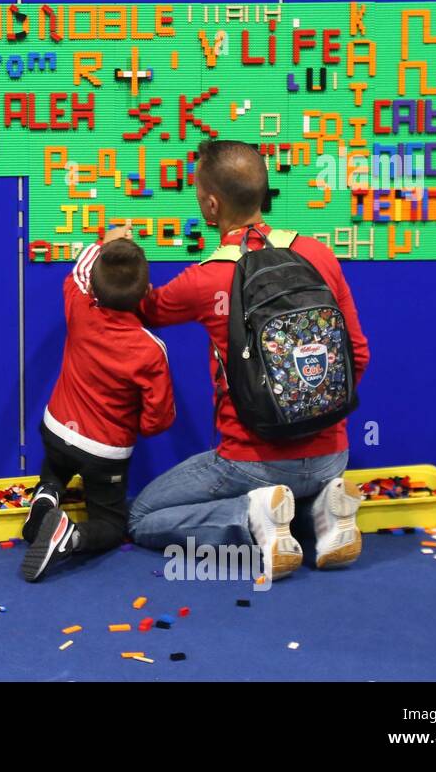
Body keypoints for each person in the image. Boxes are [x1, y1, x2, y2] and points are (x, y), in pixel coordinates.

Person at [127, 140, 370, 581]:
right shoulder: (318, 254)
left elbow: (145, 308)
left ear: (211, 204)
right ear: (264, 192)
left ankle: (252, 514)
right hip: (334, 452)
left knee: (142, 516)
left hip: (252, 462)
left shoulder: (206, 278)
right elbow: (359, 355)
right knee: (303, 485)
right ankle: (326, 511)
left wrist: (119, 254)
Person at [21, 223, 175, 582]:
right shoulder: (151, 350)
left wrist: (106, 242)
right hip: (105, 453)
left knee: (54, 470)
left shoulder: (78, 304)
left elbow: (79, 267)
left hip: (57, 429)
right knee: (110, 522)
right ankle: (72, 536)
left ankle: (44, 504)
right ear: (147, 294)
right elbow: (159, 420)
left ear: (93, 286)